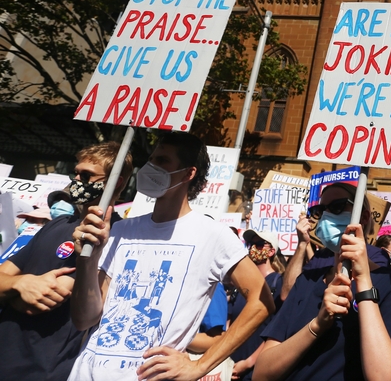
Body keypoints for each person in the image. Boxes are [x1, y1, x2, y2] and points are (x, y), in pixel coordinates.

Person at [68, 132, 275, 381]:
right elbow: (85, 319)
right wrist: (87, 260)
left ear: (189, 173)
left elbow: (262, 302)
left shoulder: (212, 235)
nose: (151, 167)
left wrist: (199, 367)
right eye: (151, 159)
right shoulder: (120, 230)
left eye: (163, 161)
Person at [252, 182, 391, 381]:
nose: (326, 216)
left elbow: (385, 376)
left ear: (363, 217)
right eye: (321, 210)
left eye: (337, 207)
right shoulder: (307, 280)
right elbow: (261, 374)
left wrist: (364, 283)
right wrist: (317, 326)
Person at [0, 141, 133, 381]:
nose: (77, 180)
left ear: (117, 182)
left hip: (42, 370)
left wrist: (13, 290)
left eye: (87, 175)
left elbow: (45, 299)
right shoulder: (56, 225)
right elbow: (4, 276)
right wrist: (19, 284)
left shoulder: (120, 237)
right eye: (76, 173)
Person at [230, 229, 286, 380]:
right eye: (250, 244)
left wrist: (249, 362)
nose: (253, 248)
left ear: (271, 251)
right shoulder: (241, 286)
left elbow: (279, 331)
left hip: (256, 372)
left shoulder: (279, 284)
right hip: (231, 367)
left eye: (260, 244)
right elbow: (230, 324)